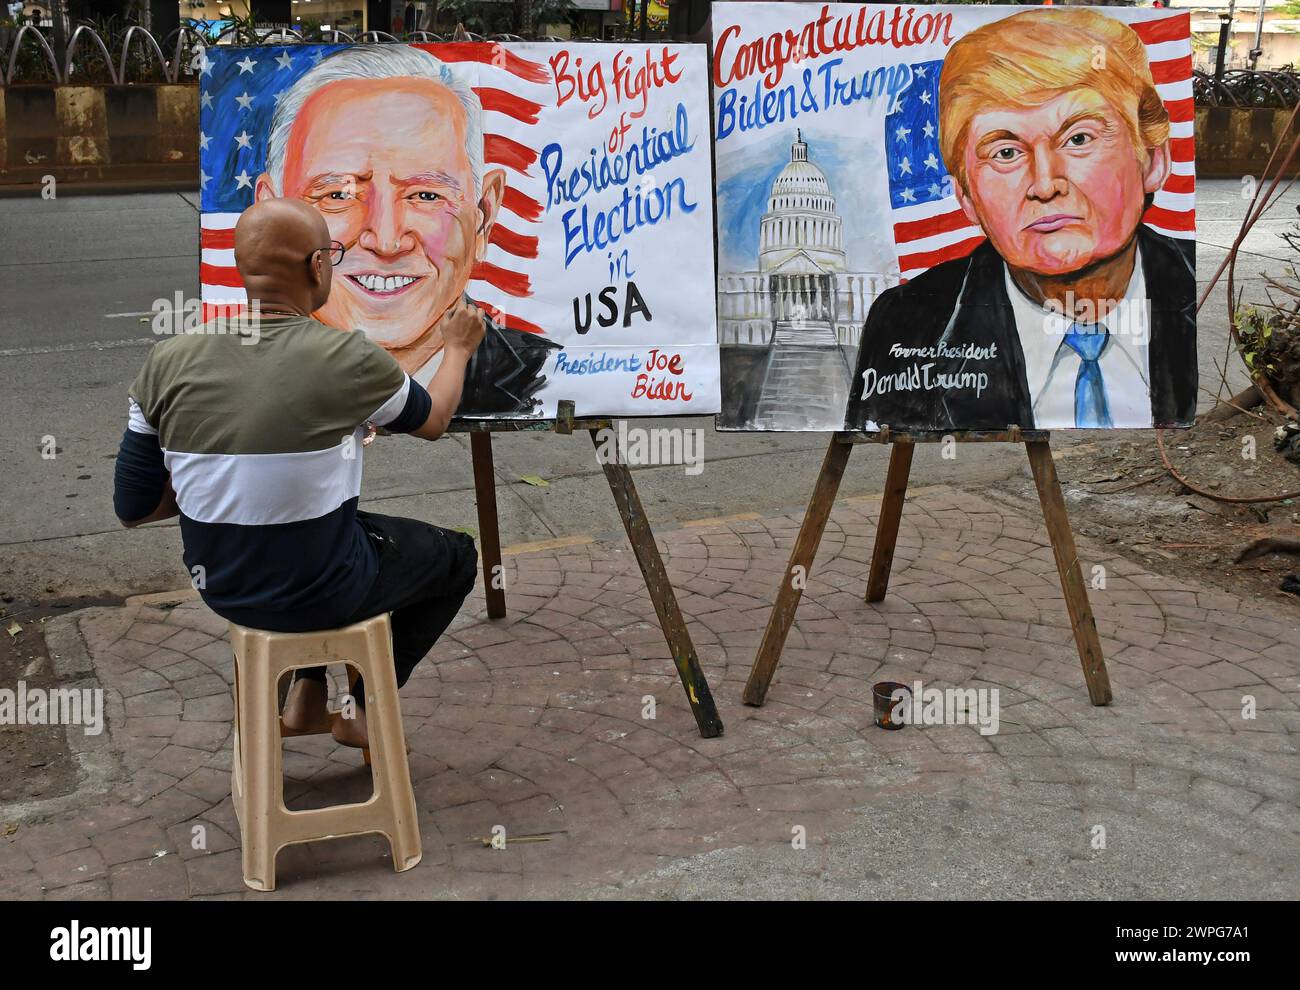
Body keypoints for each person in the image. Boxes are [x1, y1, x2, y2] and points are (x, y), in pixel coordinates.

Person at [113, 198, 484, 749]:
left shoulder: (165, 361)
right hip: (324, 587)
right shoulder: (348, 357)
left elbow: (134, 509)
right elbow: (432, 422)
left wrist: (218, 476)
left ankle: (307, 699)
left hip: (226, 587)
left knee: (322, 533)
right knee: (454, 557)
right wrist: (457, 348)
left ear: (242, 267)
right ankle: (361, 708)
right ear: (317, 265)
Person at [845, 7, 1196, 432]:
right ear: (967, 198)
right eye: (1006, 152)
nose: (1045, 184)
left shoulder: (1195, 286)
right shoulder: (907, 323)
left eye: (1078, 138)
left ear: (1152, 161)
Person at [255, 45, 558, 415]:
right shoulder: (247, 375)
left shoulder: (548, 377)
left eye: (426, 195)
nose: (386, 240)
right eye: (338, 195)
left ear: (484, 216)